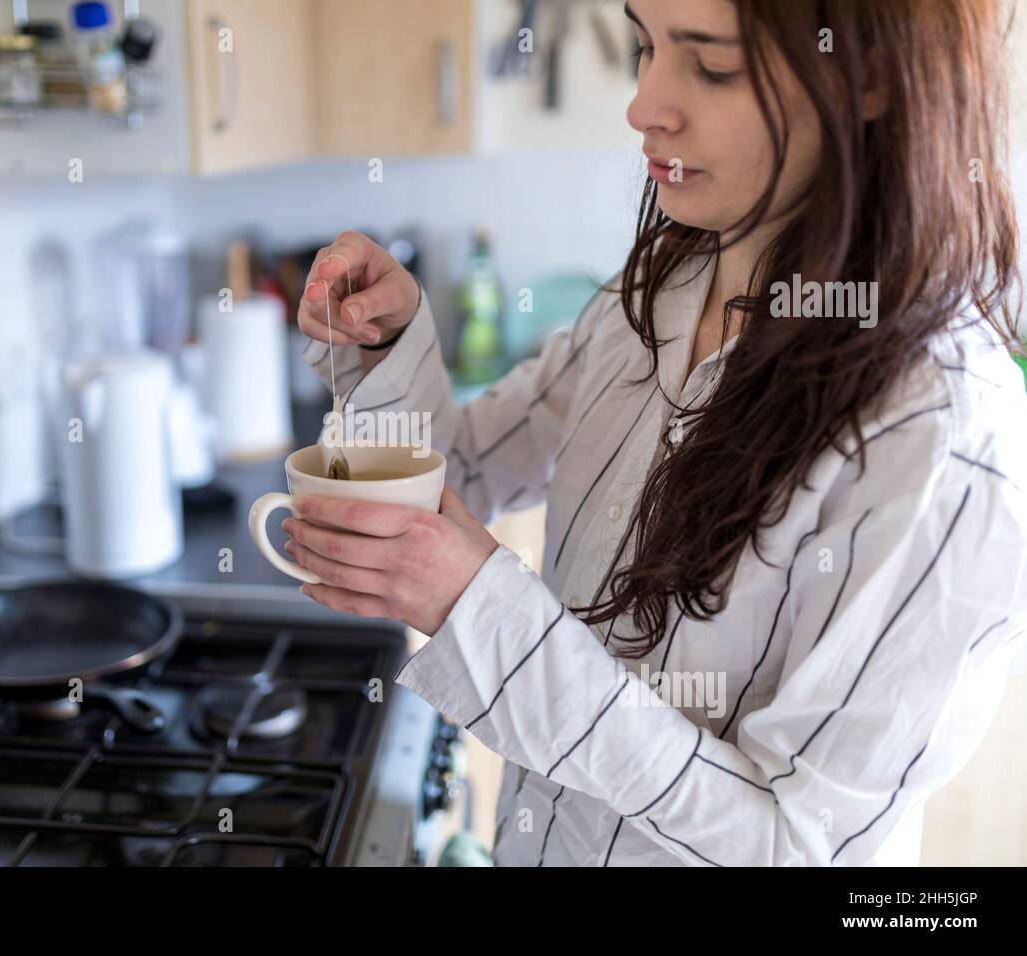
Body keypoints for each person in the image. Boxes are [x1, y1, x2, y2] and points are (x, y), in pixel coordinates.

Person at [289, 0, 1027, 866]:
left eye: (711, 65)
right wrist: (389, 342)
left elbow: (793, 846)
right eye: (645, 45)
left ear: (866, 76)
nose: (643, 104)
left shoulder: (944, 445)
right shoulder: (662, 286)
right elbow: (470, 468)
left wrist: (487, 618)